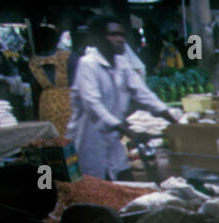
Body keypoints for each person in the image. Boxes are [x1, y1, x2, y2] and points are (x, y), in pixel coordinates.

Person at [66, 15, 180, 180]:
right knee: (96, 187)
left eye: (121, 35)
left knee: (123, 180)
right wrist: (127, 130)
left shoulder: (122, 63)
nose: (120, 40)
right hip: (89, 139)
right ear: (98, 39)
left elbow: (143, 93)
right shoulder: (88, 64)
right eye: (113, 35)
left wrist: (171, 118)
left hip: (113, 140)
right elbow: (93, 104)